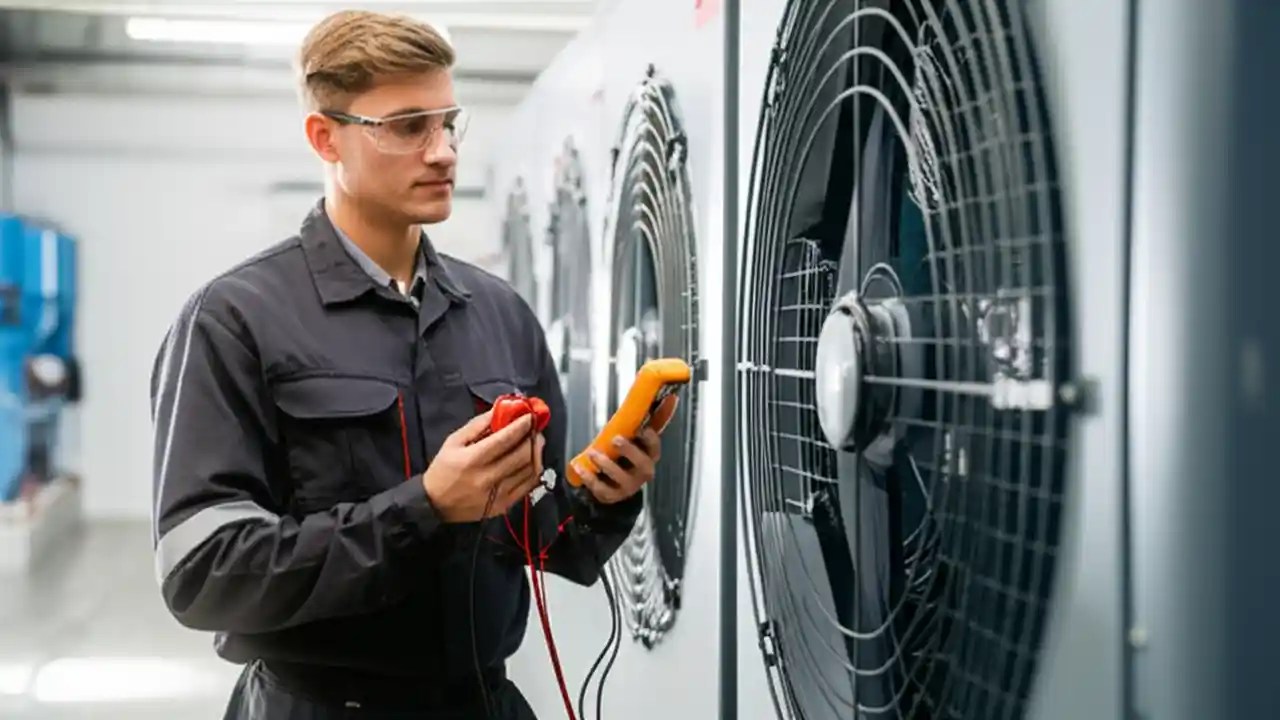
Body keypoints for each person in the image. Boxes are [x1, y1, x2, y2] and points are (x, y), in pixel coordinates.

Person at [148, 10, 675, 719]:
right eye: (407, 126)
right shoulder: (234, 320)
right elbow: (203, 573)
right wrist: (425, 508)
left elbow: (538, 533)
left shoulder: (500, 315)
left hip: (483, 702)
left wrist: (604, 495)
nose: (443, 152)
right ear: (324, 136)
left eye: (448, 123)